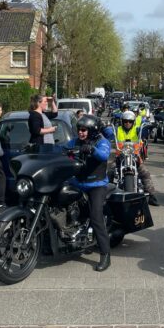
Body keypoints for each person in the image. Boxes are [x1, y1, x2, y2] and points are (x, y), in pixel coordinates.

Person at [66, 115, 112, 272]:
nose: (81, 133)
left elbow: (104, 155)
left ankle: (105, 254)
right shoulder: (75, 141)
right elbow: (62, 149)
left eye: (84, 130)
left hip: (96, 185)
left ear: (92, 130)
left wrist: (92, 149)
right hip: (77, 182)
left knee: (96, 217)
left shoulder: (102, 142)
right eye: (79, 130)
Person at [113, 111, 159, 206]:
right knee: (109, 172)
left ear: (133, 122)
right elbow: (109, 132)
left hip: (135, 157)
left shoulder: (138, 130)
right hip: (120, 157)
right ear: (122, 121)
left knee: (145, 173)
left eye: (130, 121)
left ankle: (151, 196)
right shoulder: (117, 130)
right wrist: (104, 128)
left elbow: (145, 130)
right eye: (125, 121)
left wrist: (151, 126)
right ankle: (106, 196)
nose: (127, 123)